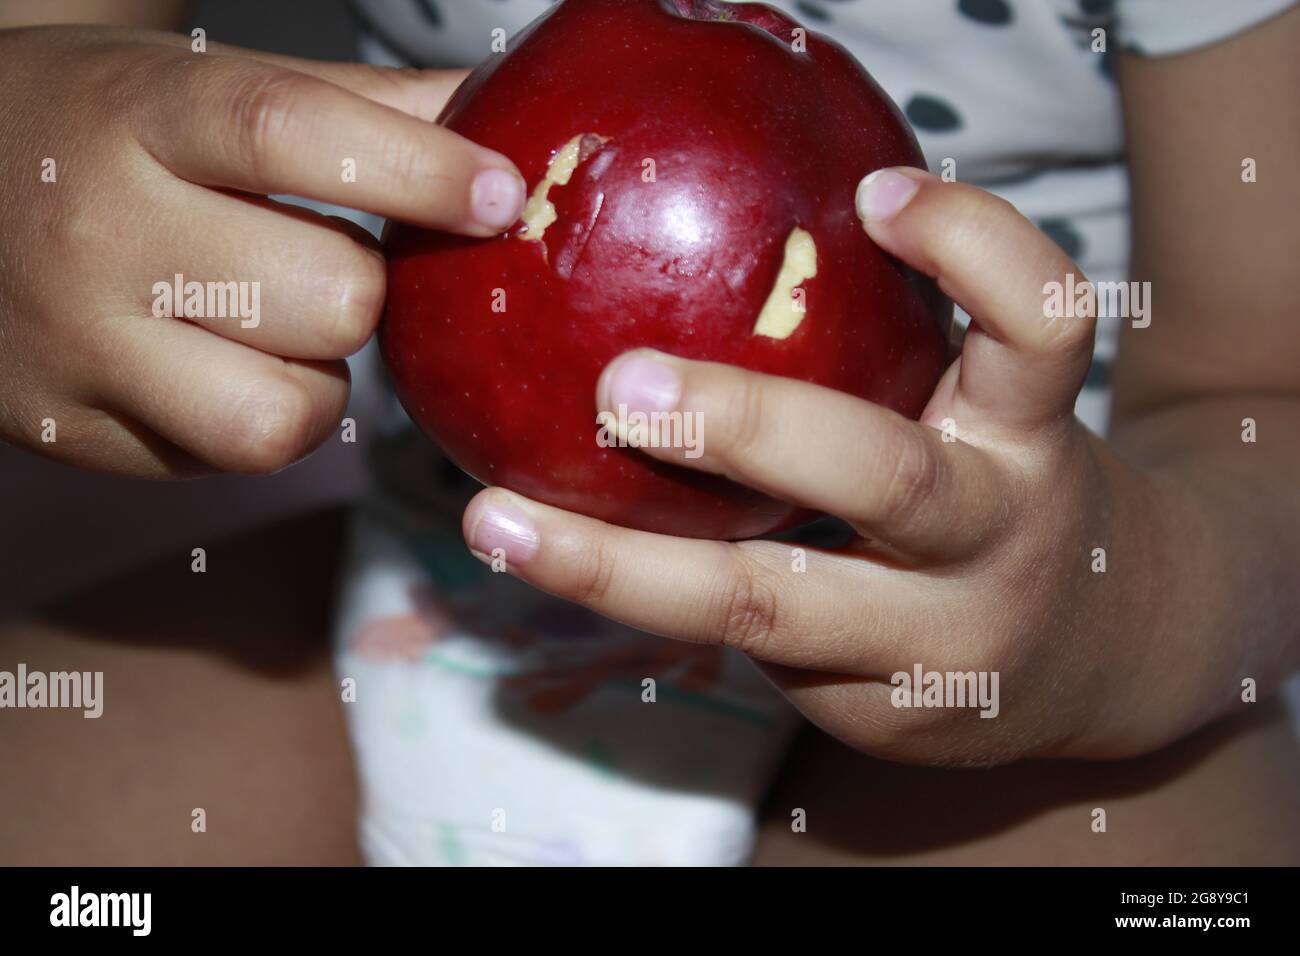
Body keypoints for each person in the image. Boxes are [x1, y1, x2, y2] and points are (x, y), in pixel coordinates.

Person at [1, 0, 1297, 865]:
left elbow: (1264, 386)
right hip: (432, 529)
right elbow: (71, 52)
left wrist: (1115, 612)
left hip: (1042, 573)